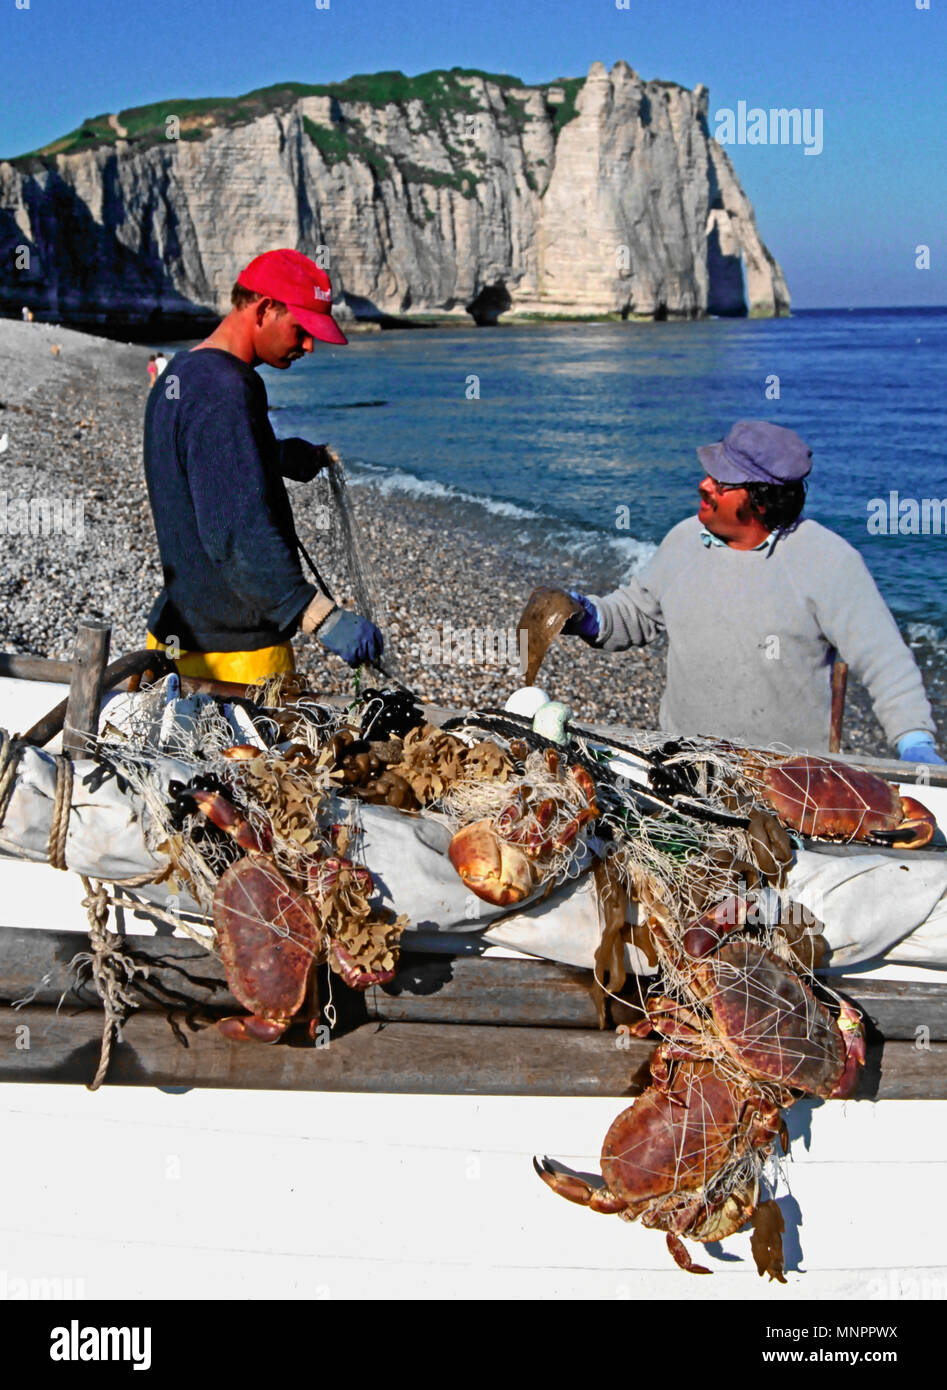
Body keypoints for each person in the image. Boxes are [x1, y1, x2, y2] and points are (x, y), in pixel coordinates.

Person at [561, 420, 943, 762]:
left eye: (722, 483)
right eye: (710, 475)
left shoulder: (829, 560)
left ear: (761, 498)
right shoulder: (684, 539)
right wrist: (585, 616)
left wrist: (914, 741)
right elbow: (637, 613)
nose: (704, 485)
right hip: (684, 759)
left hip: (788, 775)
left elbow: (885, 660)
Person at [143, 247, 383, 683]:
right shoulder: (225, 390)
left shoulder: (180, 374)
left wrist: (272, 455)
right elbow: (235, 531)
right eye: (301, 329)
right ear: (265, 308)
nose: (309, 345)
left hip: (175, 632)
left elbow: (200, 469)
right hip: (232, 653)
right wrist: (319, 616)